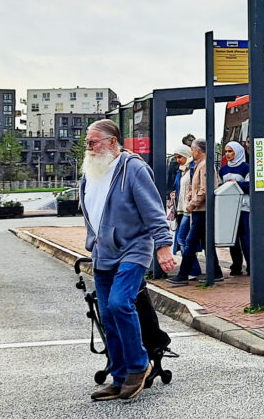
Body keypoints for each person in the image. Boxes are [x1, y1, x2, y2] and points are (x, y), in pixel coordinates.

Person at [80, 119, 176, 402]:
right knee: (108, 314)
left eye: (93, 142)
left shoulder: (132, 169)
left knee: (120, 303)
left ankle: (139, 365)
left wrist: (163, 246)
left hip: (133, 249)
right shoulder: (91, 172)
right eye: (87, 142)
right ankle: (120, 376)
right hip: (103, 252)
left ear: (112, 142)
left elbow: (153, 210)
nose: (89, 147)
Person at [167, 138, 224, 286]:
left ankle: (183, 274)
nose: (191, 152)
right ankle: (216, 271)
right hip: (200, 209)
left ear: (198, 150)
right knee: (205, 242)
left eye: (192, 149)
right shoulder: (200, 165)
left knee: (190, 240)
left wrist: (192, 203)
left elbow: (205, 189)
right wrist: (191, 194)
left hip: (201, 209)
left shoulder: (204, 166)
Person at [165, 144, 201, 280]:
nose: (178, 160)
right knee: (184, 239)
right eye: (176, 157)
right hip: (181, 207)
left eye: (180, 157)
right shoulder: (181, 171)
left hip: (189, 208)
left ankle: (192, 268)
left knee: (182, 238)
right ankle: (193, 268)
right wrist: (175, 193)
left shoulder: (192, 169)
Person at [219, 141, 251, 276]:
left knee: (245, 237)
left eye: (230, 151)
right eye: (226, 151)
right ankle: (236, 265)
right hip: (229, 207)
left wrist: (236, 184)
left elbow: (251, 186)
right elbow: (219, 186)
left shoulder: (246, 168)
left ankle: (251, 264)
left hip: (243, 206)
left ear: (237, 152)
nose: (228, 154)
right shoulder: (223, 169)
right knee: (232, 237)